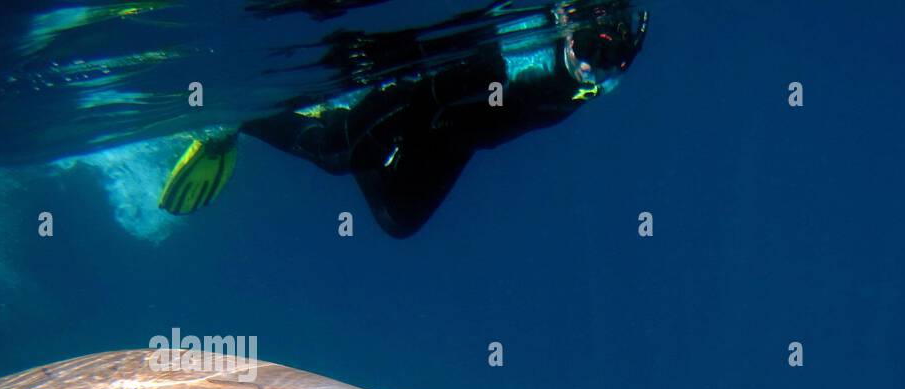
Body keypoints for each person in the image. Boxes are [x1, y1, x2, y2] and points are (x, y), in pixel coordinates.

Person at [159, 3, 648, 237]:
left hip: (458, 137)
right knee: (335, 153)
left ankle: (344, 121)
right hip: (425, 98)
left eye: (610, 59)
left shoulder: (604, 69)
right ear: (568, 26)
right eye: (586, 51)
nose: (591, 67)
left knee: (399, 220)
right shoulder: (532, 36)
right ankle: (237, 115)